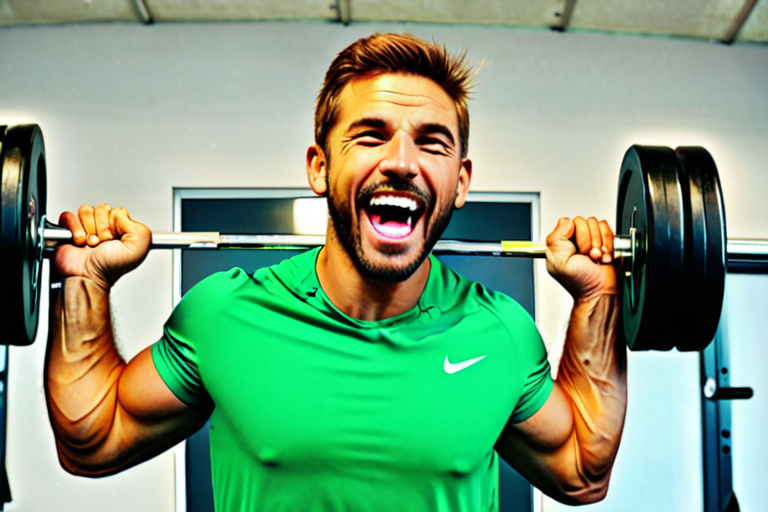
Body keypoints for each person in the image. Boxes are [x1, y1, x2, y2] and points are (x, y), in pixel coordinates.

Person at [45, 33, 626, 511]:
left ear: (461, 181)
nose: (401, 162)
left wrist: (598, 295)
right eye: (371, 135)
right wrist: (85, 281)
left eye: (432, 143)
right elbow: (91, 442)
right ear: (320, 167)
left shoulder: (499, 334)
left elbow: (581, 471)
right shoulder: (224, 315)